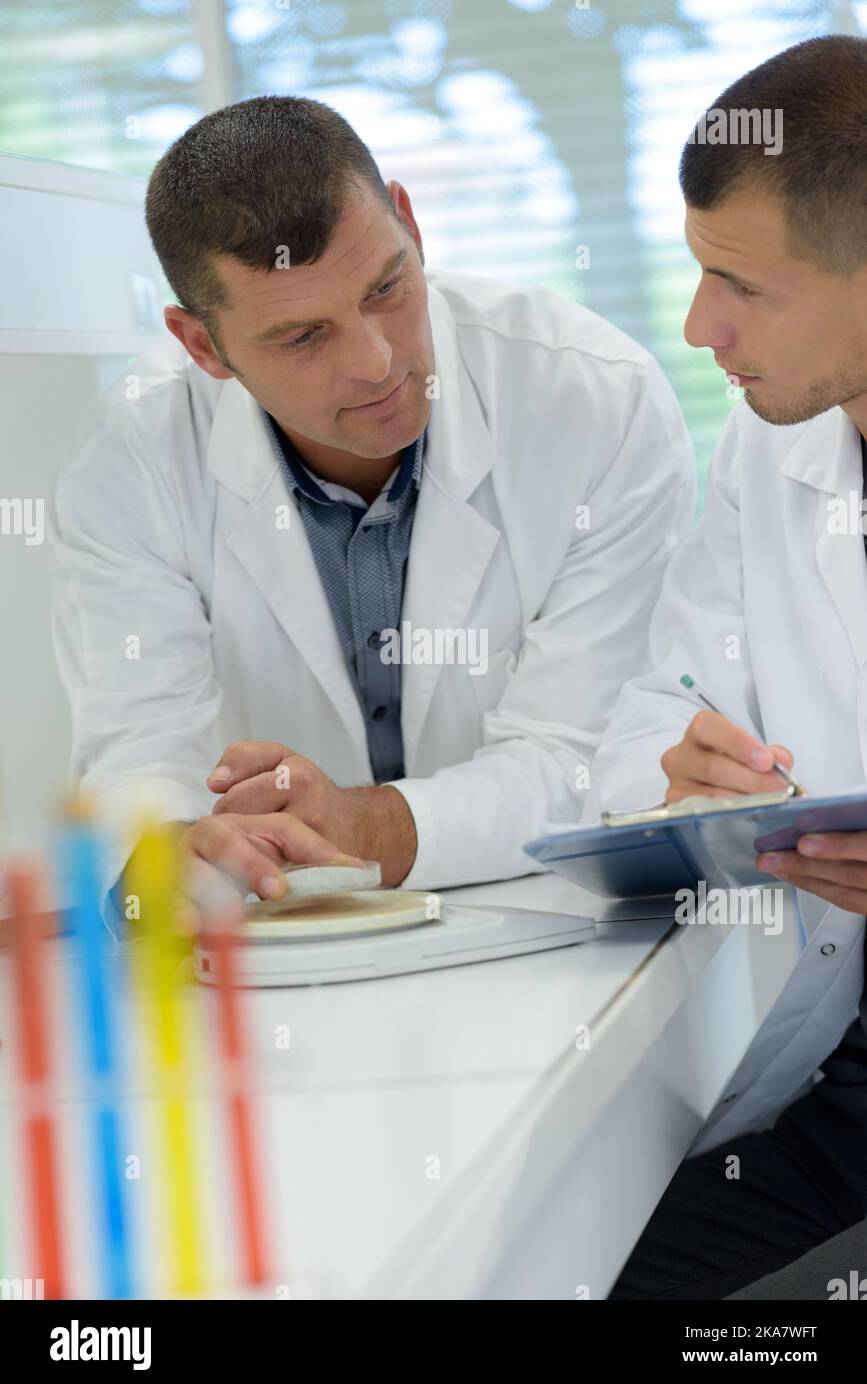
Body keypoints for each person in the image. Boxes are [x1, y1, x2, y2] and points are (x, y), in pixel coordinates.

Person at [47, 94, 694, 917]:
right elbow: (134, 752)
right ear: (202, 345)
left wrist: (364, 827)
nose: (377, 361)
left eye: (387, 287)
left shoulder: (593, 394)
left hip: (554, 918)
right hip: (287, 940)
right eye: (303, 337)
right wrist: (174, 844)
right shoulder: (132, 452)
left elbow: (587, 758)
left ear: (410, 225)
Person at [596, 36, 867, 1299]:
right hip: (842, 1089)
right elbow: (662, 697)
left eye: (737, 286)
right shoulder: (776, 451)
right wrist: (675, 763)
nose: (701, 328)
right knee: (576, 1275)